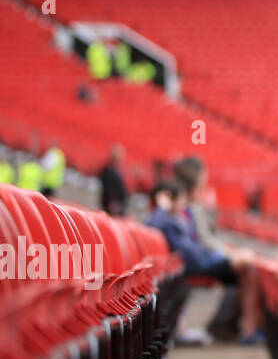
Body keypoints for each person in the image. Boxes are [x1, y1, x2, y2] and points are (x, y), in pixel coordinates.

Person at [146, 180, 262, 343]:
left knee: (247, 263)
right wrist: (162, 207)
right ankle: (249, 330)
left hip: (198, 261)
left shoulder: (173, 219)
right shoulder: (164, 220)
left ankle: (238, 328)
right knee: (246, 265)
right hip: (196, 265)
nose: (183, 204)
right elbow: (152, 225)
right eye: (180, 200)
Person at [99, 144, 128, 217]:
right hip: (111, 205)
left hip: (118, 205)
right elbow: (108, 188)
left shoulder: (118, 171)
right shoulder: (108, 170)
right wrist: (112, 202)